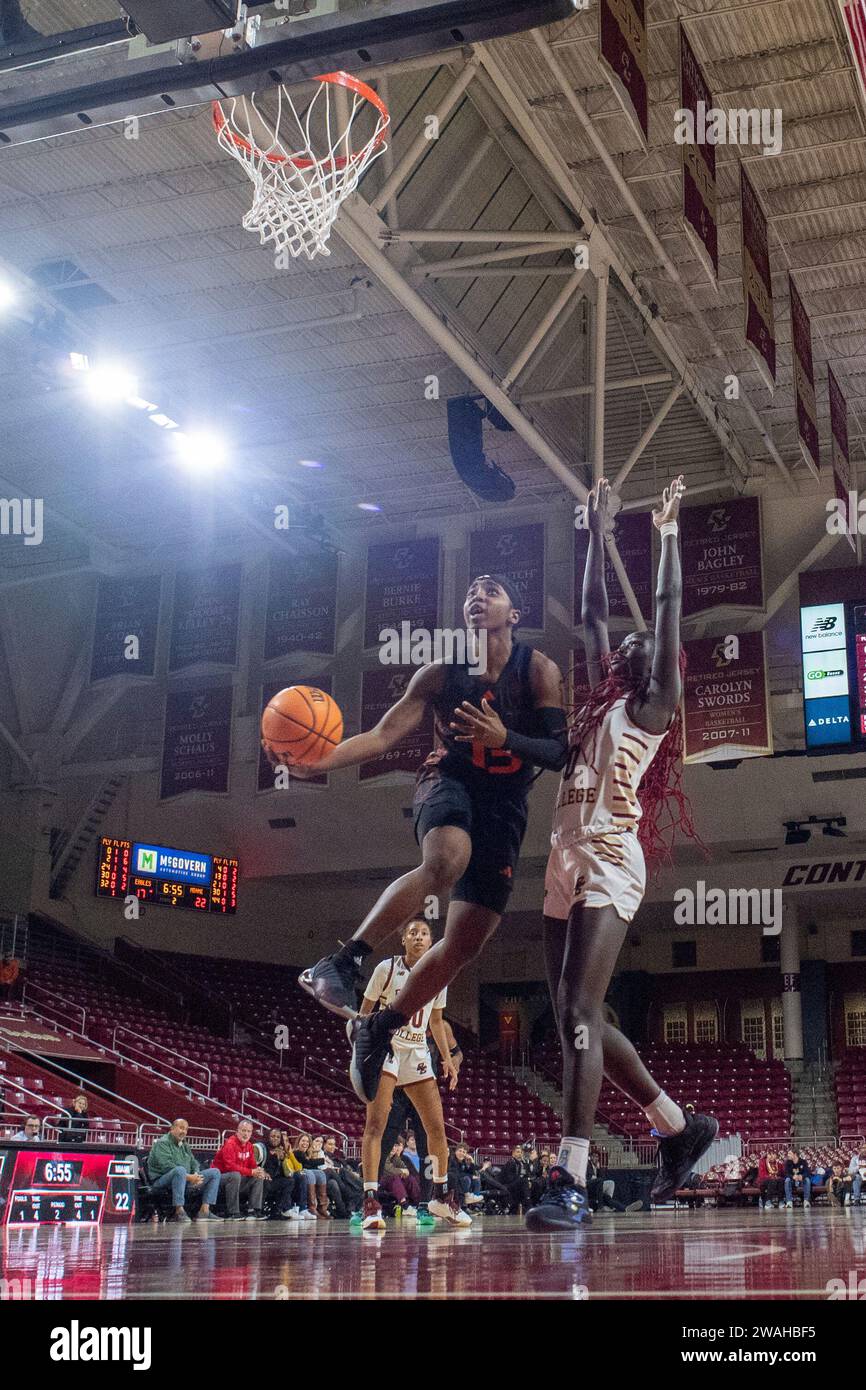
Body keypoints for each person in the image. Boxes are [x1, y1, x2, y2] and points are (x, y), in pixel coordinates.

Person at [284, 575, 568, 1097]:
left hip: (505, 805)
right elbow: (383, 735)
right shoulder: (440, 674)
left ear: (515, 613)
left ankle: (378, 1030)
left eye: (492, 590)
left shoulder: (539, 670)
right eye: (471, 592)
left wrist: (506, 737)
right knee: (445, 861)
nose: (478, 596)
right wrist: (318, 761)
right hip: (450, 781)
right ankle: (343, 961)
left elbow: (559, 751)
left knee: (464, 943)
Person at [527, 477, 718, 1231]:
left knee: (579, 1011)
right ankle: (679, 1127)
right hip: (561, 857)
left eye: (640, 645)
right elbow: (590, 615)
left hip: (610, 856)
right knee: (575, 1012)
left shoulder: (651, 706)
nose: (628, 642)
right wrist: (593, 531)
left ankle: (570, 1175)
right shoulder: (601, 703)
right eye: (626, 644)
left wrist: (667, 532)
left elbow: (664, 615)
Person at [352, 919, 468, 1230]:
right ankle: (370, 1202)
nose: (418, 937)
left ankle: (441, 1198)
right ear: (403, 940)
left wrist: (447, 1060)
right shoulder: (386, 970)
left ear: (432, 941)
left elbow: (436, 1021)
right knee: (375, 1125)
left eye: (424, 933)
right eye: (412, 933)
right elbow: (364, 1014)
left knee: (436, 1130)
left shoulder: (439, 974)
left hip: (417, 1052)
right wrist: (362, 1048)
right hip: (388, 1047)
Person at [147, 1119, 222, 1223]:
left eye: (186, 1129)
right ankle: (179, 1211)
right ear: (172, 1128)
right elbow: (167, 1166)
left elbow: (194, 1162)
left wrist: (195, 1174)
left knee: (215, 1172)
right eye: (181, 1128)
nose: (184, 1131)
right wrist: (189, 1177)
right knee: (179, 1170)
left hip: (185, 1178)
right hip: (161, 1180)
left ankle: (204, 1211)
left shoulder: (184, 1145)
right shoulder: (162, 1143)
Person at [213, 1120, 267, 1221]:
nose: (246, 1134)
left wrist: (258, 1171)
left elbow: (252, 1165)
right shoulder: (230, 1143)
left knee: (258, 1176)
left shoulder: (250, 1146)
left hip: (237, 1179)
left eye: (249, 1131)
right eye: (243, 1130)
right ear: (237, 1131)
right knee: (235, 1175)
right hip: (219, 1179)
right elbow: (230, 1167)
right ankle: (233, 1212)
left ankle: (253, 1210)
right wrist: (251, 1172)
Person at [322, 1135, 362, 1217]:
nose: (333, 1147)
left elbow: (346, 1164)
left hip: (343, 1179)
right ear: (324, 1145)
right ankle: (362, 1185)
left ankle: (352, 1210)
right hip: (333, 1178)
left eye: (334, 1144)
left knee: (349, 1175)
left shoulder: (336, 1157)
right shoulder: (323, 1156)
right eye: (330, 1144)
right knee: (343, 1173)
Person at [262, 1128, 298, 1219]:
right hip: (263, 1178)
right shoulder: (262, 1147)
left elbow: (286, 1172)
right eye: (273, 1136)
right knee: (264, 1181)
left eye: (278, 1137)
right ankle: (259, 1210)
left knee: (290, 1181)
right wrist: (263, 1171)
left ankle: (281, 1209)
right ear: (268, 1137)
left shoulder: (281, 1151)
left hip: (275, 1179)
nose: (275, 1139)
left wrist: (282, 1159)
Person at [292, 1133, 330, 1218]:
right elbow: (307, 1164)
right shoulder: (297, 1152)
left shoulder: (306, 1154)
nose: (305, 1143)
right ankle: (311, 1207)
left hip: (305, 1172)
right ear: (298, 1142)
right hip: (297, 1174)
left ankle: (322, 1207)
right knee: (310, 1173)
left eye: (307, 1141)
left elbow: (311, 1165)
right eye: (303, 1141)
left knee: (321, 1173)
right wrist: (322, 1160)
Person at [380, 1140, 422, 1214]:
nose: (393, 1148)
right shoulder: (383, 1156)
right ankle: (404, 1206)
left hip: (393, 1182)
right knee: (394, 1177)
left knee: (409, 1179)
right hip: (381, 1181)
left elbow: (406, 1170)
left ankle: (420, 1203)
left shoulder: (395, 1157)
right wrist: (402, 1171)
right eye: (391, 1146)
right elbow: (389, 1170)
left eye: (395, 1146)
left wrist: (403, 1171)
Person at [448, 1143, 483, 1208]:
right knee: (467, 1179)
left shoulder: (463, 1161)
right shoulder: (452, 1159)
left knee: (477, 1180)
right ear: (456, 1151)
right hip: (452, 1180)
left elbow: (471, 1172)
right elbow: (456, 1173)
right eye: (460, 1151)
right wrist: (470, 1176)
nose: (461, 1153)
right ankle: (467, 1196)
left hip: (461, 1179)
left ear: (466, 1154)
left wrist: (472, 1161)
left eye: (464, 1152)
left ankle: (474, 1199)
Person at [501, 1145, 533, 1214]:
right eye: (518, 1152)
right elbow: (510, 1179)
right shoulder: (511, 1163)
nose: (520, 1154)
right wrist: (522, 1179)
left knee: (530, 1183)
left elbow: (528, 1174)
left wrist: (529, 1181)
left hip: (519, 1185)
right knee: (524, 1181)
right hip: (508, 1185)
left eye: (521, 1152)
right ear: (513, 1154)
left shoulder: (523, 1163)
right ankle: (528, 1203)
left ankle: (529, 1204)